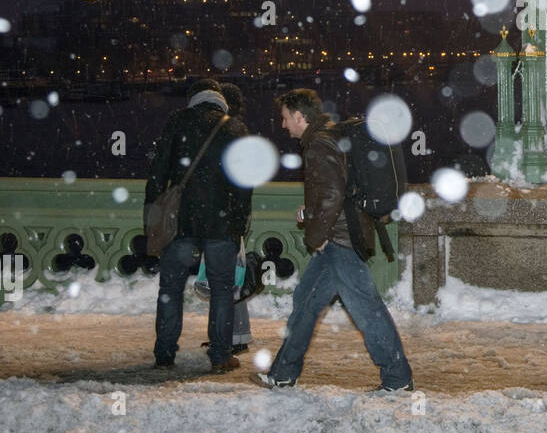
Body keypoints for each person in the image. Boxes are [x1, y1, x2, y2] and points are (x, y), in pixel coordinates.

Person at [256, 88, 413, 391]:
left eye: (286, 118)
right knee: (306, 301)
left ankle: (397, 378)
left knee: (367, 310)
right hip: (341, 233)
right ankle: (282, 374)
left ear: (300, 117)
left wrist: (317, 236)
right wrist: (311, 212)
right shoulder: (329, 137)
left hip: (338, 239)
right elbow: (333, 189)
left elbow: (331, 193)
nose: (283, 125)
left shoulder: (319, 143)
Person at [145, 78, 249, 373]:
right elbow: (244, 186)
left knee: (171, 288)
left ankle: (165, 353)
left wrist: (152, 220)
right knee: (221, 290)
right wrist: (239, 223)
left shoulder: (177, 121)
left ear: (193, 99)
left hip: (180, 223)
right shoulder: (234, 128)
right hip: (220, 223)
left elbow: (157, 175)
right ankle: (220, 356)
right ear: (219, 99)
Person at [197, 82, 253, 355]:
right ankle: (231, 335)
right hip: (231, 215)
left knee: (226, 280)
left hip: (223, 217)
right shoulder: (236, 131)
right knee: (232, 277)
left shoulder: (224, 132)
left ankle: (232, 336)